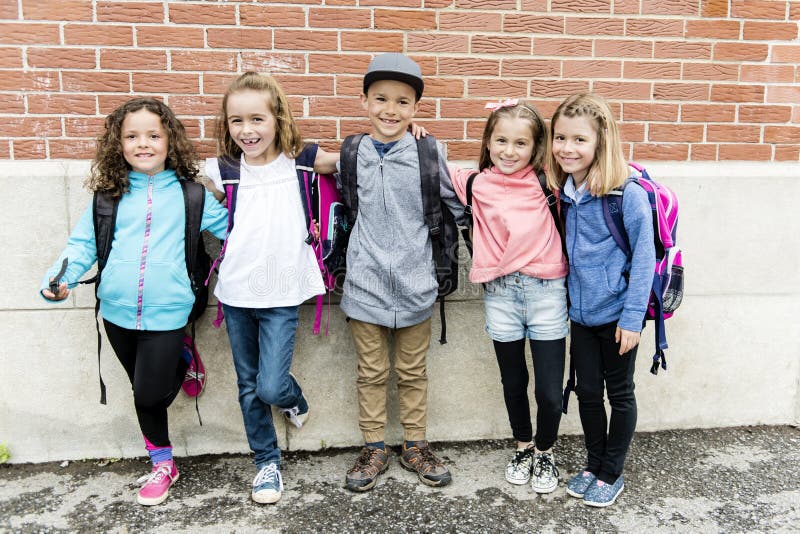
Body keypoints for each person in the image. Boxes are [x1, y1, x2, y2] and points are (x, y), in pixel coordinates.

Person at [40, 98, 229, 506]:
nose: (142, 143)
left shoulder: (191, 196)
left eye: (153, 135)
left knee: (147, 394)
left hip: (170, 310)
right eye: (131, 136)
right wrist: (58, 280)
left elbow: (235, 232)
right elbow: (82, 245)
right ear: (118, 144)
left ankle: (163, 463)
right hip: (117, 311)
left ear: (169, 142)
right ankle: (163, 457)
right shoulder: (107, 198)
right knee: (141, 387)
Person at [205, 71, 337, 505]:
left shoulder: (301, 160)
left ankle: (291, 396)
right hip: (237, 292)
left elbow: (357, 157)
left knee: (270, 386)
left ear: (278, 118)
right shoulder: (222, 170)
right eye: (236, 121)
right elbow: (181, 182)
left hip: (282, 292)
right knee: (248, 384)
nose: (247, 131)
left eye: (257, 119)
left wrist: (410, 135)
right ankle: (266, 463)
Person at [341, 53, 464, 492]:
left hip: (416, 283)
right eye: (380, 99)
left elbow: (459, 203)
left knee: (413, 372)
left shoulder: (430, 153)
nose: (390, 110)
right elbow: (303, 159)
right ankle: (374, 447)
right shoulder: (351, 152)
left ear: (415, 109)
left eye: (402, 102)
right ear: (364, 102)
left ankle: (415, 446)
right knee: (371, 372)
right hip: (364, 284)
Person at [448, 99, 568, 494]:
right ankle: (524, 445)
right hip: (500, 294)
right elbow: (429, 165)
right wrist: (418, 137)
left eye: (521, 143)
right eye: (501, 140)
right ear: (488, 141)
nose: (509, 151)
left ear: (536, 148)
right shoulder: (473, 183)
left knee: (549, 391)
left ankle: (546, 451)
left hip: (547, 291)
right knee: (512, 381)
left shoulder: (548, 183)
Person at [545, 93, 655, 507]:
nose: (567, 148)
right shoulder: (565, 192)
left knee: (620, 393)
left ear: (599, 143)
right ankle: (593, 464)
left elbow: (644, 258)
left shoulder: (625, 194)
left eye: (579, 140)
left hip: (618, 315)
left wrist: (631, 319)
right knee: (587, 392)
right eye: (560, 138)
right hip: (580, 312)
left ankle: (612, 472)